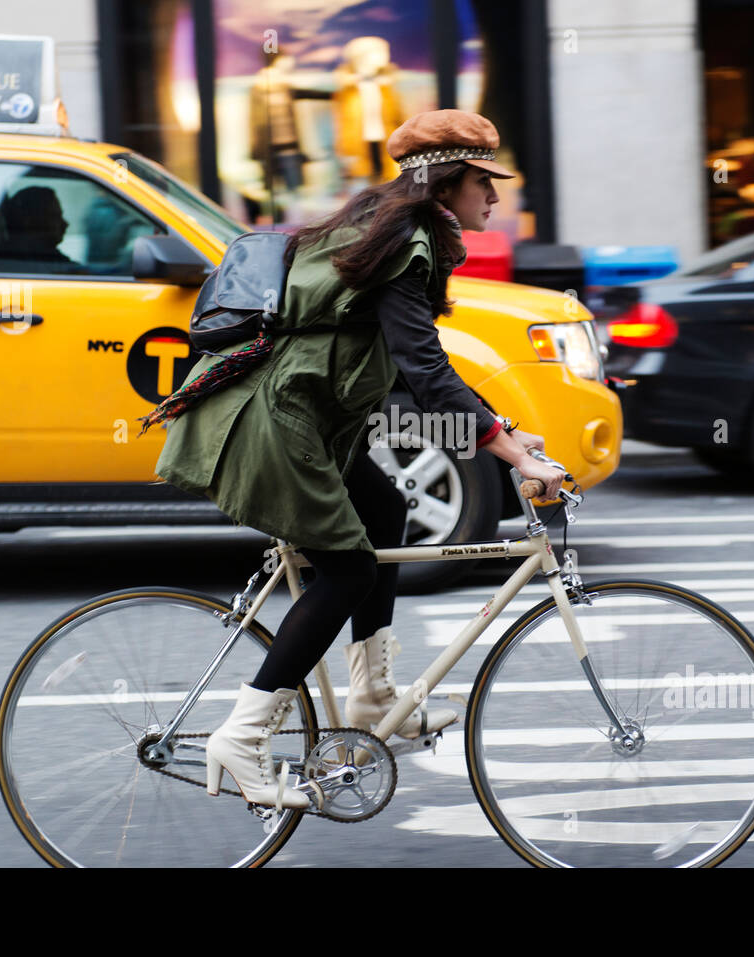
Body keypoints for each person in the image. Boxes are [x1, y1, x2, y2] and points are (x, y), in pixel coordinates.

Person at [151, 109, 565, 810]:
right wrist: (505, 448)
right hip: (280, 424)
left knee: (386, 506)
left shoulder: (390, 225)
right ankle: (242, 736)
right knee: (347, 569)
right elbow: (426, 369)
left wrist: (506, 434)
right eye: (482, 181)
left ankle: (371, 698)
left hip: (309, 420)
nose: (493, 195)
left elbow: (409, 376)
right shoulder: (406, 241)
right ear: (446, 182)